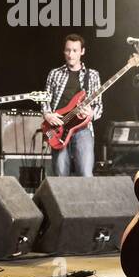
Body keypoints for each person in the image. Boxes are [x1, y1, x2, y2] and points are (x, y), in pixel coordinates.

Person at [41, 34, 102, 177]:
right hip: (58, 128)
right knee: (60, 176)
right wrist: (47, 114)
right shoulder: (54, 74)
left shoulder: (92, 75)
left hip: (83, 130)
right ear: (64, 51)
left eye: (75, 50)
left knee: (86, 175)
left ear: (82, 51)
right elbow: (45, 99)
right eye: (68, 50)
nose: (71, 54)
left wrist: (91, 113)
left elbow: (99, 105)